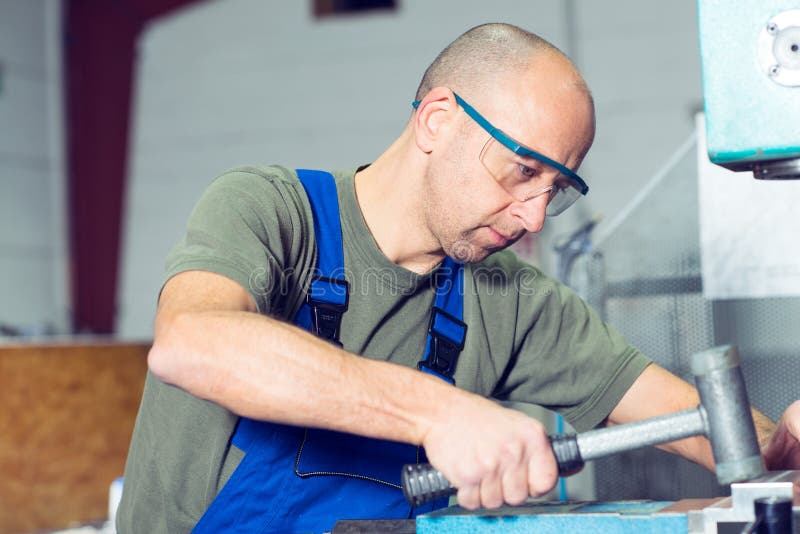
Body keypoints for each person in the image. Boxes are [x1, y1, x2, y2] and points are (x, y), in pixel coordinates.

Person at [117, 22, 800, 533]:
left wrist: (781, 445)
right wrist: (441, 413)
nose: (534, 216)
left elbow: (710, 430)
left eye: (555, 189)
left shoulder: (517, 302)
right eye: (523, 170)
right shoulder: (270, 210)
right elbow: (193, 344)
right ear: (438, 122)